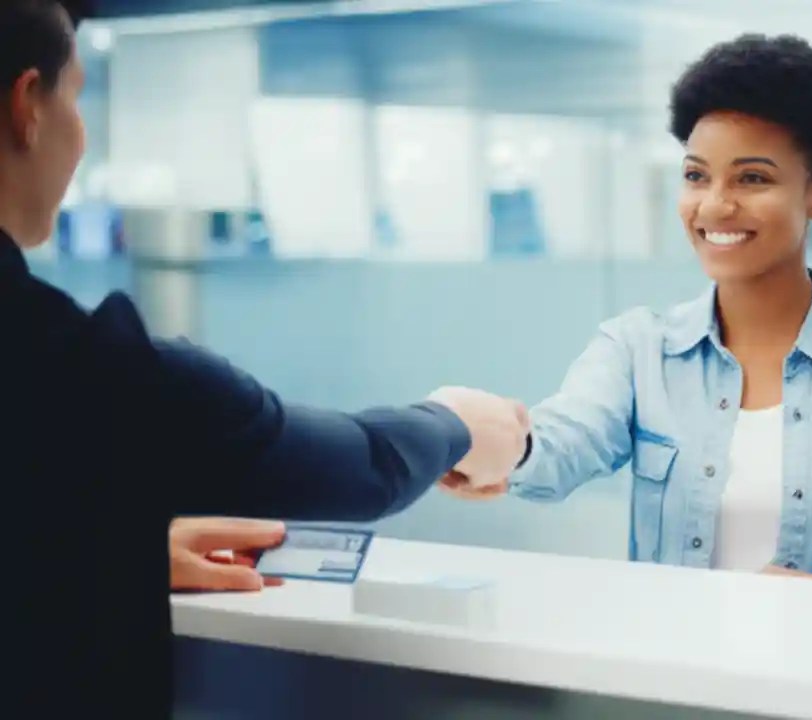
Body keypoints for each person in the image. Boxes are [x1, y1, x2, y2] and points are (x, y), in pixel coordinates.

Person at [1, 1, 528, 715]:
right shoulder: (85, 370)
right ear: (26, 106)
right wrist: (460, 422)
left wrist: (105, 541)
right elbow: (365, 466)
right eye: (77, 95)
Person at [443, 34, 812, 595]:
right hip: (678, 678)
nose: (713, 205)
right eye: (695, 175)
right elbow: (562, 444)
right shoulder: (637, 349)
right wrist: (492, 442)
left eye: (752, 178)